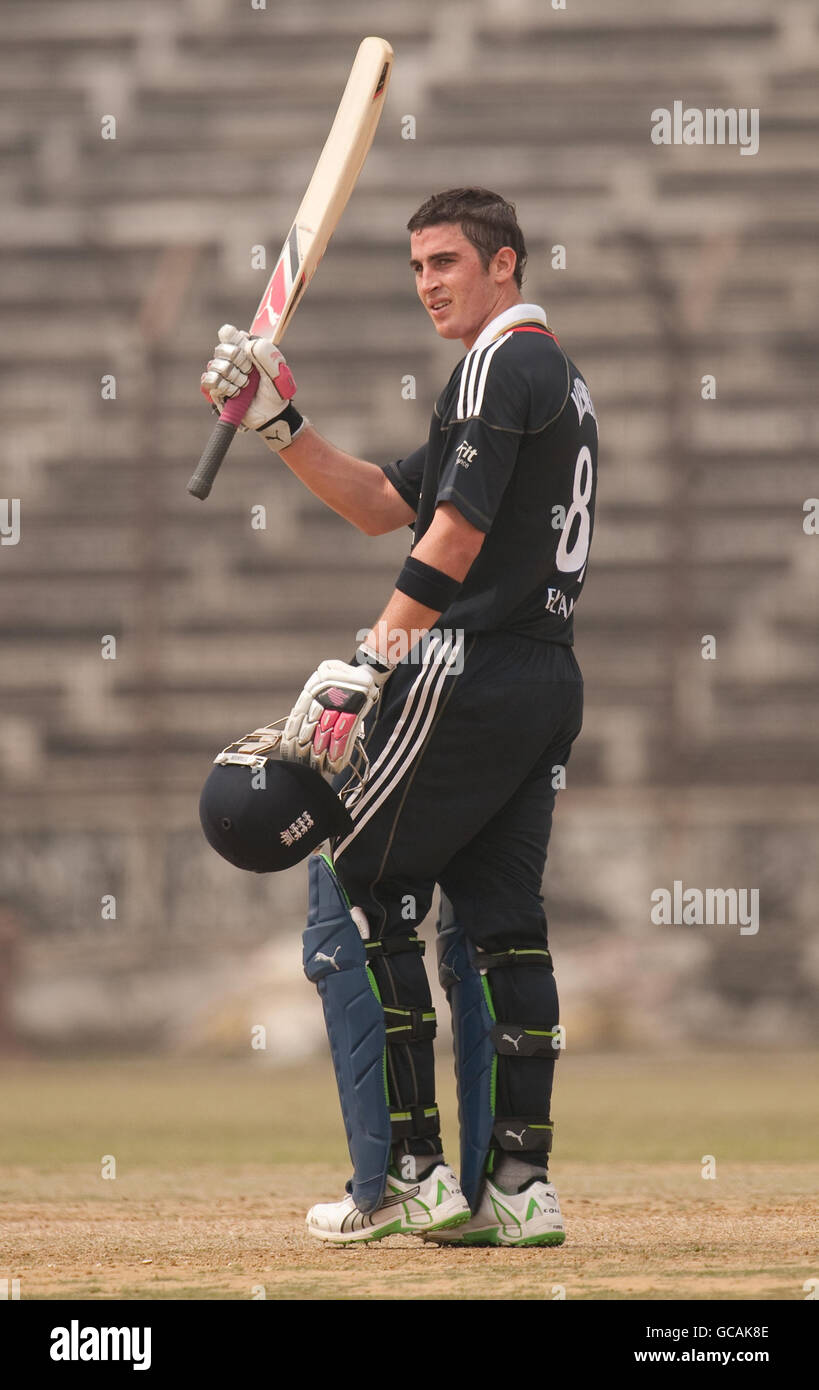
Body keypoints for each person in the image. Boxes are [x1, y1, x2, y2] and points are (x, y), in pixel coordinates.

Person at [201, 187, 598, 1247]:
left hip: (464, 668)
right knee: (506, 922)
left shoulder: (495, 366)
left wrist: (370, 659)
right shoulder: (550, 375)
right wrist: (278, 420)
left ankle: (414, 1174)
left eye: (447, 263)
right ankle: (520, 1181)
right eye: (417, 266)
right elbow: (386, 502)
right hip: (547, 676)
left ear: (504, 265)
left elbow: (457, 536)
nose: (428, 283)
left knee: (359, 879)